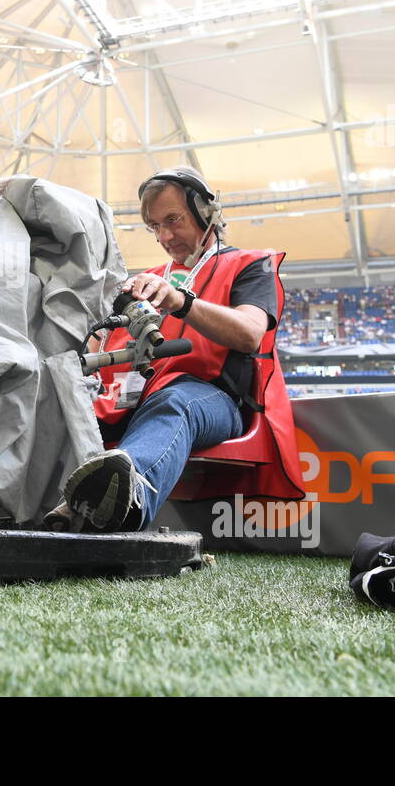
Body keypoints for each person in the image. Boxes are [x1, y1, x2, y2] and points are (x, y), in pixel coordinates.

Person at [56, 166, 304, 532]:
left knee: (176, 401)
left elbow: (251, 334)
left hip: (212, 399)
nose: (165, 236)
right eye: (155, 226)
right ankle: (54, 505)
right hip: (137, 397)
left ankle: (128, 502)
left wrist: (180, 301)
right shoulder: (148, 279)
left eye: (173, 220)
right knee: (65, 400)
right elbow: (95, 341)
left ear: (207, 213)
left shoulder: (250, 265)